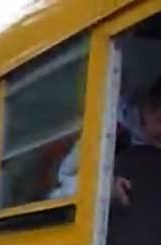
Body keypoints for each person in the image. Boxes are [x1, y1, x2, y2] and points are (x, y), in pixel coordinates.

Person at [54, 75, 161, 203]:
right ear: (150, 106)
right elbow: (61, 187)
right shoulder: (105, 128)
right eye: (159, 120)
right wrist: (107, 188)